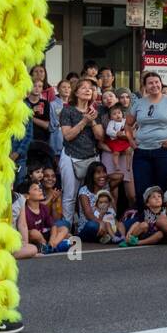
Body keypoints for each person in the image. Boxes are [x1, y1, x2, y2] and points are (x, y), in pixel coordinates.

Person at [128, 71, 167, 212]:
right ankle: (145, 224)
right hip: (142, 153)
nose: (154, 85)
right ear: (145, 86)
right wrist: (131, 140)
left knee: (165, 188)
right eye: (150, 83)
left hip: (165, 152)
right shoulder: (139, 103)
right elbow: (128, 124)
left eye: (157, 82)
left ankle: (166, 223)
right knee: (142, 189)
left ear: (161, 83)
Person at [59, 77, 103, 223]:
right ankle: (67, 228)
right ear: (76, 93)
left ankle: (89, 226)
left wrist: (93, 120)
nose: (87, 90)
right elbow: (68, 135)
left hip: (92, 157)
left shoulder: (95, 111)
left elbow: (100, 136)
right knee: (70, 196)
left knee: (92, 194)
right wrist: (84, 121)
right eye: (83, 87)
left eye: (90, 88)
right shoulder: (67, 111)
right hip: (71, 157)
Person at [22, 178, 71, 254]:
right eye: (35, 189)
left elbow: (53, 226)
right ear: (27, 196)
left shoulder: (43, 208)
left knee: (64, 229)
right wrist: (44, 241)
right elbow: (27, 232)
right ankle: (49, 247)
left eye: (40, 188)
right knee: (34, 233)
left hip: (43, 234)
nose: (40, 190)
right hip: (33, 239)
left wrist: (52, 239)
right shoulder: (24, 210)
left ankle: (52, 246)